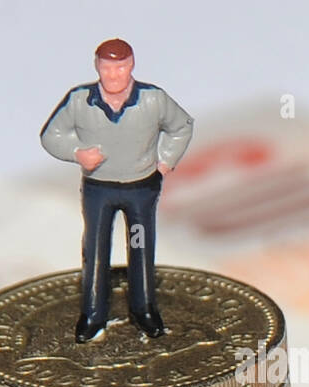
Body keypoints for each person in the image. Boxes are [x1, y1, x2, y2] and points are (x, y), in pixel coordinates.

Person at [39, 38, 194, 341]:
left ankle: (144, 309)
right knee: (95, 248)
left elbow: (182, 126)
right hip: (99, 188)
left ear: (131, 65)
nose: (113, 75)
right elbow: (50, 134)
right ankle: (94, 313)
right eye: (107, 68)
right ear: (97, 67)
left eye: (120, 67)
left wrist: (166, 162)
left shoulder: (153, 99)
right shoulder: (79, 100)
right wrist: (76, 152)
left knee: (141, 247)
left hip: (140, 187)